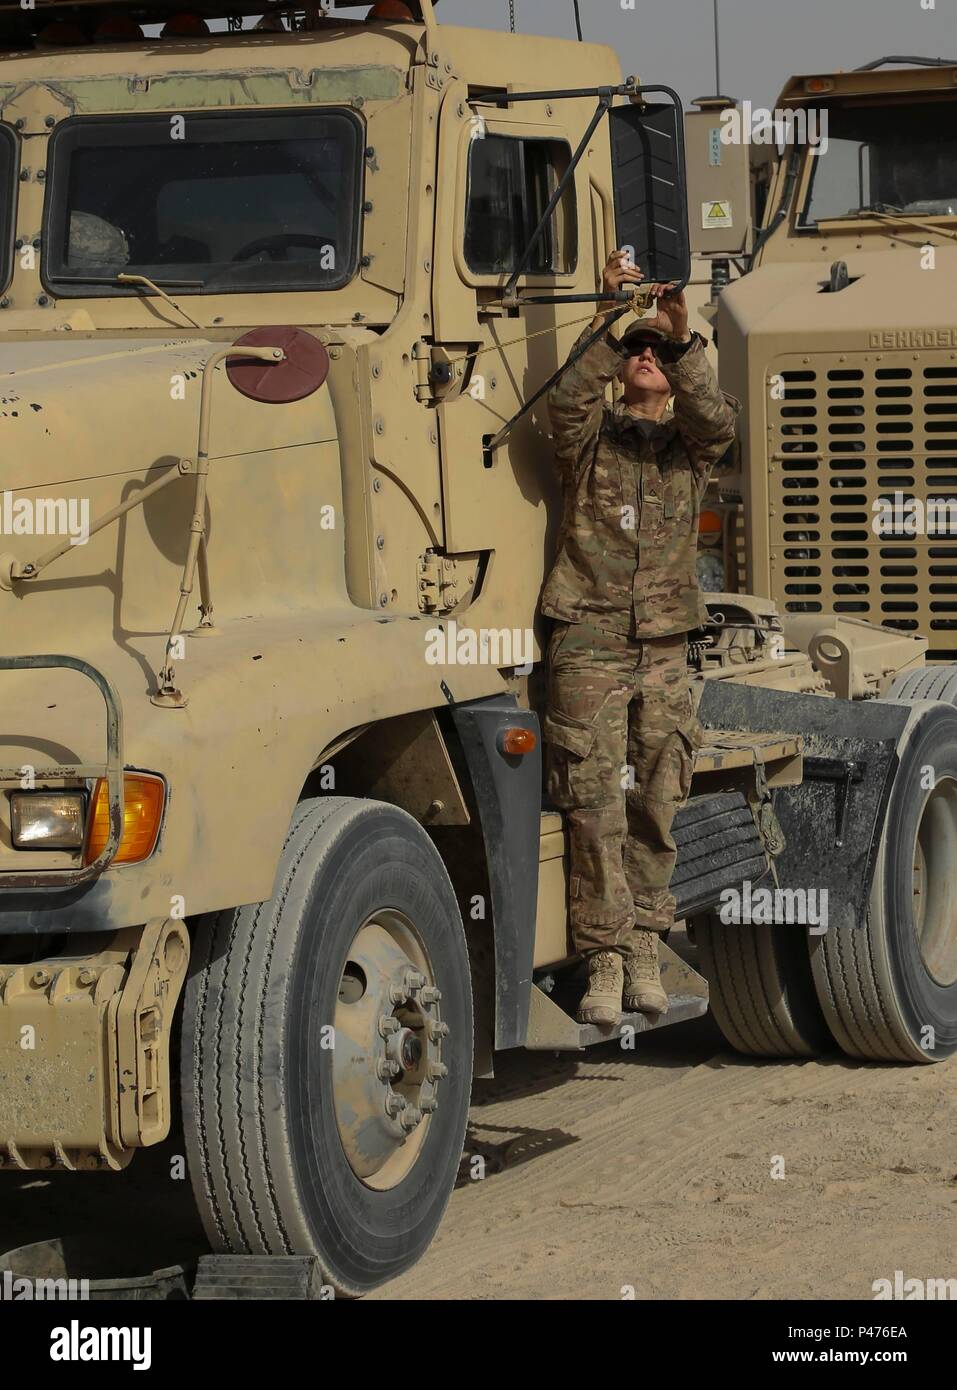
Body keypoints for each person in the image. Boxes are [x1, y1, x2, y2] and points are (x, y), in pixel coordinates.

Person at [542, 249, 738, 1026]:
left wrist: (680, 334)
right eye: (637, 354)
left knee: (657, 800)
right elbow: (564, 403)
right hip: (587, 638)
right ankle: (603, 959)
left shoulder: (691, 449)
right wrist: (613, 322)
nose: (644, 357)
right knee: (593, 804)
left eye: (652, 352)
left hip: (662, 646)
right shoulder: (589, 442)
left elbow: (714, 417)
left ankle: (648, 947)